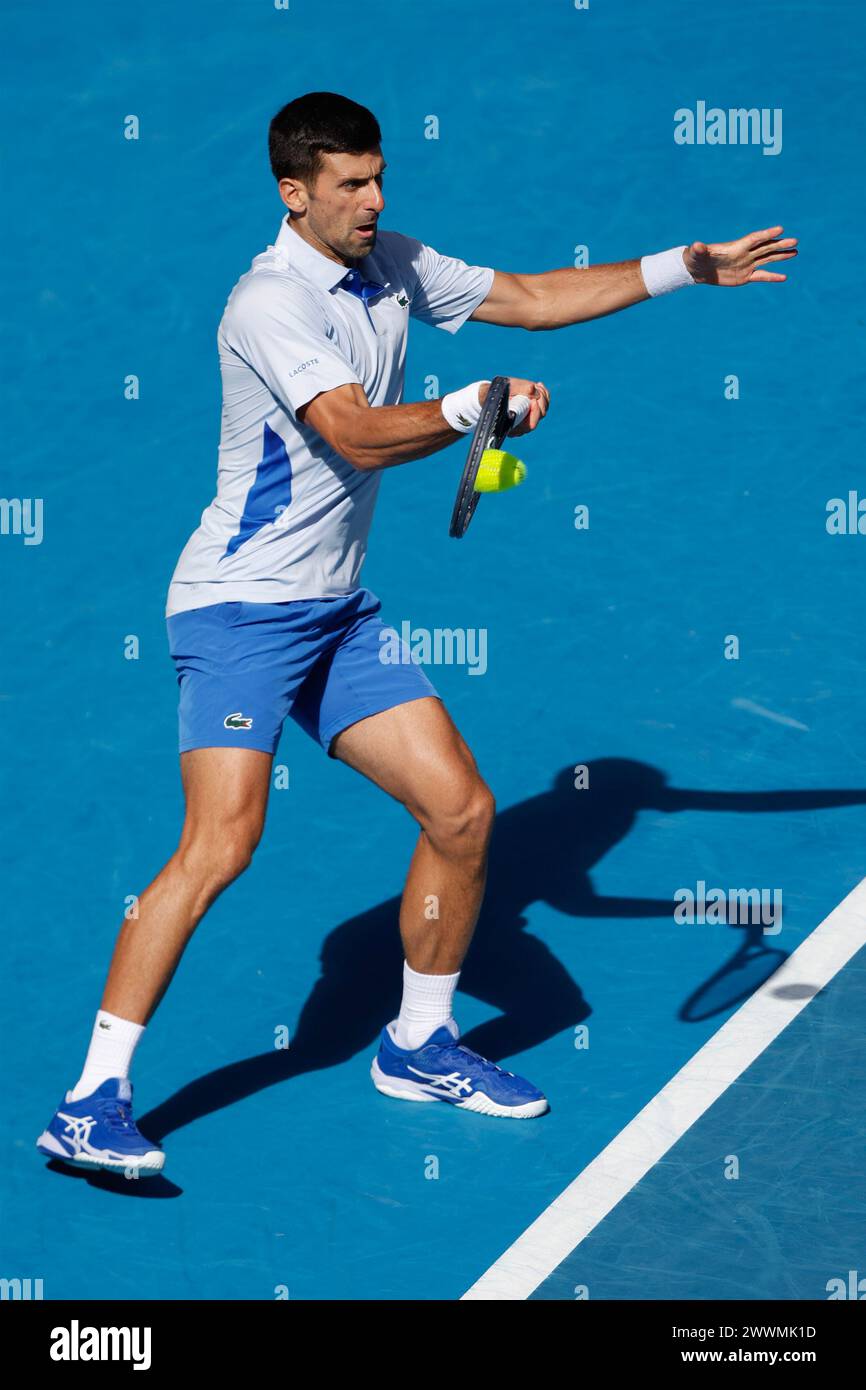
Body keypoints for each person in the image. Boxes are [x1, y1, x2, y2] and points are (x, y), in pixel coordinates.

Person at [37, 91, 797, 1175]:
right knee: (222, 843)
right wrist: (460, 411)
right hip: (240, 608)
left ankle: (419, 1042)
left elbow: (530, 298)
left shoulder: (390, 259)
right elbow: (350, 430)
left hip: (334, 610)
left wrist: (685, 265)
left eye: (377, 177)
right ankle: (90, 1098)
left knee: (460, 809)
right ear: (292, 194)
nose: (372, 199)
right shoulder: (265, 302)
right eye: (347, 185)